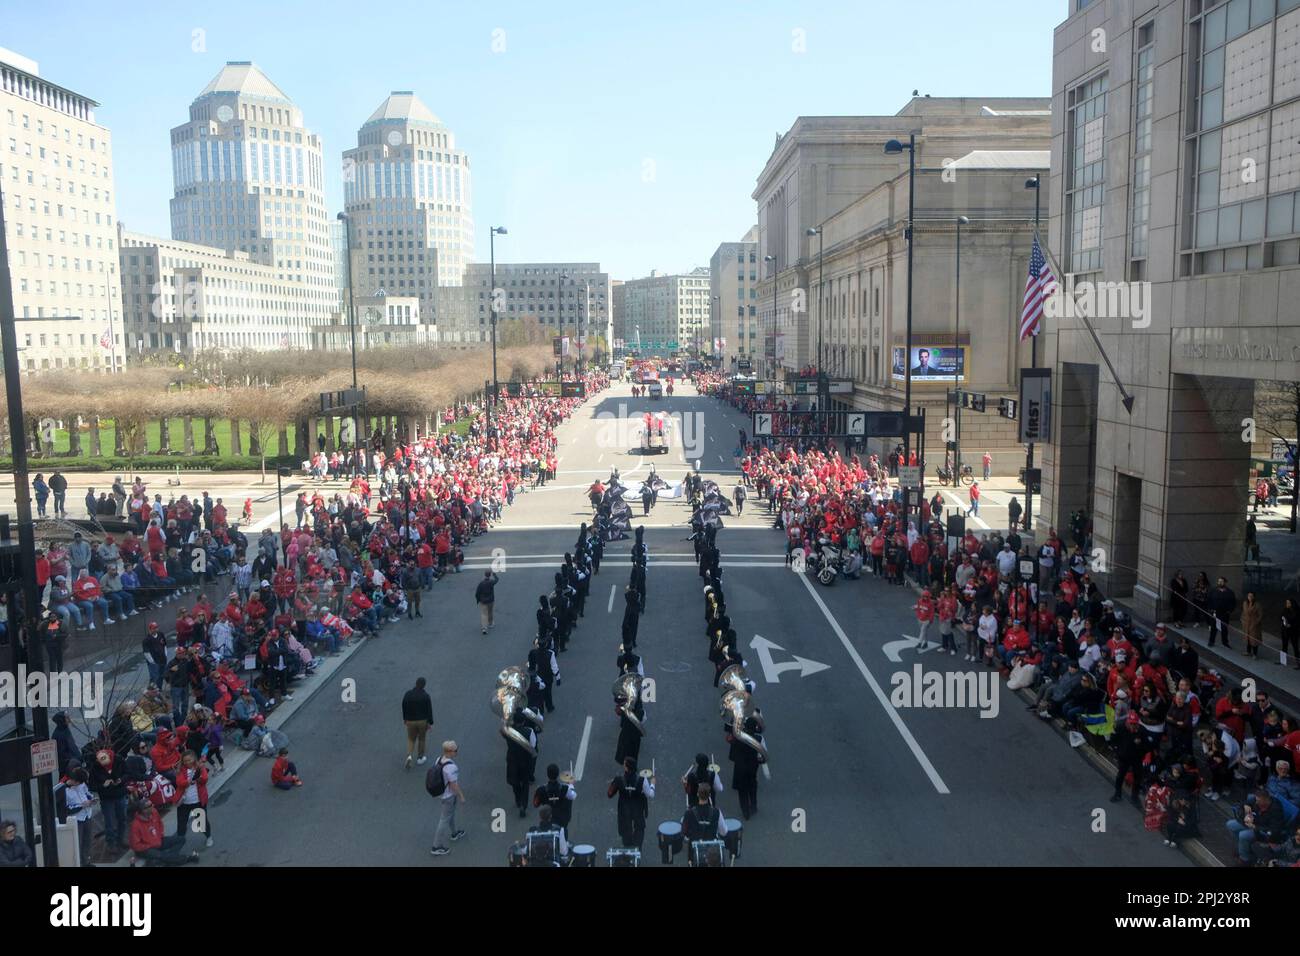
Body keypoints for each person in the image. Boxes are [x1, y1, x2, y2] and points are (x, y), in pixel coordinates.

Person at [128, 799, 198, 866]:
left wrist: (160, 835)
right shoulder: (135, 825)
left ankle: (164, 860)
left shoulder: (154, 812)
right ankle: (188, 858)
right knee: (162, 855)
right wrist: (150, 845)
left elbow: (160, 824)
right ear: (143, 810)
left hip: (158, 841)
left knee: (181, 839)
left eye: (151, 804)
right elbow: (135, 845)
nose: (152, 806)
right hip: (146, 849)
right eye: (149, 806)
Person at [607, 757, 654, 852]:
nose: (623, 766)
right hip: (638, 809)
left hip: (624, 810)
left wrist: (614, 783)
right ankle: (637, 849)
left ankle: (628, 850)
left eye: (624, 764)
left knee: (625, 830)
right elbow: (650, 794)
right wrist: (653, 784)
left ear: (627, 768)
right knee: (639, 828)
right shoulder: (642, 780)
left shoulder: (619, 779)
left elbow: (609, 794)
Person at [429, 740, 465, 857]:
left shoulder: (439, 760)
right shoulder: (451, 767)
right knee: (444, 819)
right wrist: (461, 796)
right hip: (449, 796)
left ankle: (454, 833)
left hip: (442, 794)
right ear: (449, 752)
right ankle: (436, 846)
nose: (457, 752)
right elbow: (453, 785)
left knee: (450, 815)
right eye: (456, 750)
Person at [681, 782, 728, 864]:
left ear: (697, 794)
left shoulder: (689, 813)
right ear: (709, 795)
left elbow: (684, 833)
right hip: (713, 853)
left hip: (695, 852)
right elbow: (724, 832)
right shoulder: (717, 812)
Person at [175, 752, 212, 848]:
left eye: (189, 760)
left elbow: (205, 779)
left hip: (198, 802)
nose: (187, 762)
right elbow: (179, 782)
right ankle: (179, 843)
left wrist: (198, 777)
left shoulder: (200, 768)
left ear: (194, 759)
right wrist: (188, 781)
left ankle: (208, 837)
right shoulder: (180, 770)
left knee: (201, 822)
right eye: (185, 761)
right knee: (181, 824)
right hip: (184, 803)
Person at [532, 763, 576, 843]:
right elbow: (573, 796)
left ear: (547, 774)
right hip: (563, 819)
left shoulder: (541, 789)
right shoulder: (565, 788)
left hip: (548, 819)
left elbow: (535, 804)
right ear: (558, 774)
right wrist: (571, 785)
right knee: (563, 837)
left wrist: (537, 793)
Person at [402, 677, 434, 770]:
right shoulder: (426, 696)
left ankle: (409, 756)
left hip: (410, 721)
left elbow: (404, 706)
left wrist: (405, 718)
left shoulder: (408, 694)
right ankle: (420, 758)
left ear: (415, 683)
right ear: (424, 685)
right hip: (422, 721)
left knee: (411, 739)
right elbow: (429, 710)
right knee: (421, 739)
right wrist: (430, 722)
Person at [1208, 577, 1236, 649]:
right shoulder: (1213, 591)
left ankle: (1225, 642)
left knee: (1224, 628)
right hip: (1215, 612)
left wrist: (1229, 611)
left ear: (1225, 582)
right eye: (1219, 581)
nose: (1220, 583)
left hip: (1224, 614)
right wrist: (1210, 609)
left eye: (1221, 581)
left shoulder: (1230, 592)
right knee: (1213, 628)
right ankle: (1211, 641)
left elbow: (1233, 603)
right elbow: (1209, 600)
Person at [475, 570, 499, 635]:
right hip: (491, 600)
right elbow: (497, 580)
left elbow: (477, 593)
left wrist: (478, 600)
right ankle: (490, 623)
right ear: (489, 575)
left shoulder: (481, 583)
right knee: (490, 612)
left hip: (483, 601)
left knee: (484, 614)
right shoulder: (491, 582)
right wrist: (494, 574)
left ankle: (484, 628)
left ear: (484, 575)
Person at [1241, 591, 1263, 659]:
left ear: (1254, 597)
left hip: (1254, 624)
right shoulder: (1245, 603)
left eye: (1251, 596)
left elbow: (1260, 615)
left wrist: (1256, 623)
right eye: (1248, 596)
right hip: (1246, 623)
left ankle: (1255, 654)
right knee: (1247, 638)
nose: (1250, 597)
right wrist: (1242, 620)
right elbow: (1243, 612)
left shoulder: (1257, 604)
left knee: (1254, 639)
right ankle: (1248, 651)